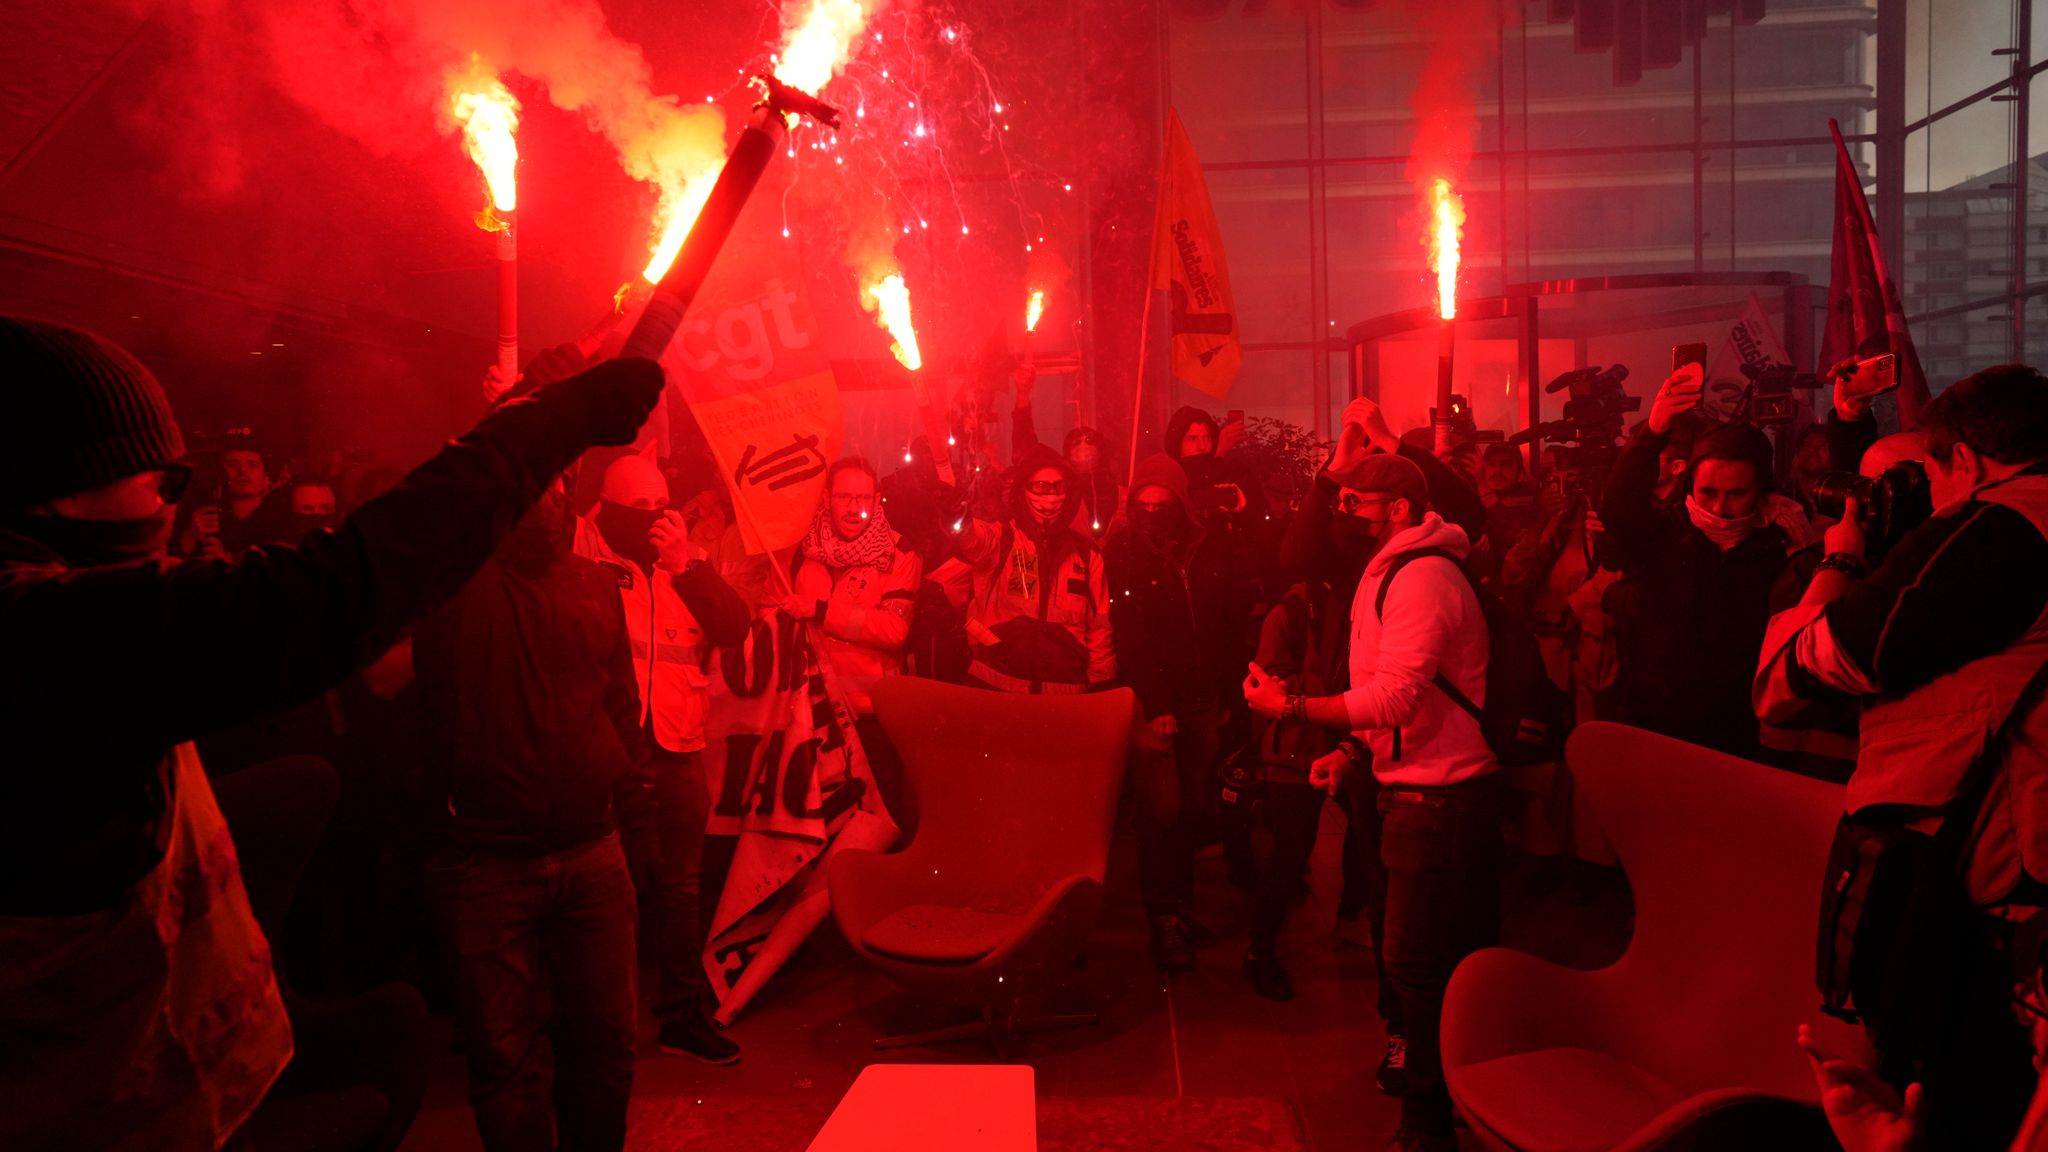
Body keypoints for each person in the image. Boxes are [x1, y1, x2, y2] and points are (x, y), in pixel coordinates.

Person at [0, 315, 661, 1151]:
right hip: (85, 1115)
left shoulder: (60, 600)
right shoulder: (32, 632)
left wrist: (540, 397)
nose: (177, 505)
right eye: (160, 481)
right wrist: (553, 423)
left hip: (168, 1091)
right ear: (57, 487)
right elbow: (334, 590)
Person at [1757, 364, 2048, 1149]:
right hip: (2017, 888)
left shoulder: (2002, 526)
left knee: (1951, 1105)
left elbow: (1784, 682)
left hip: (1992, 911)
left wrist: (1844, 561)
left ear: (1971, 464)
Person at [1243, 443, 1502, 1152]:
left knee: (1419, 964)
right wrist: (1350, 752)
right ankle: (1448, 1100)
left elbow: (1393, 697)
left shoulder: (1420, 576)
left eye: (1352, 502)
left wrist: (1291, 709)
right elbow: (1406, 699)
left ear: (1394, 509)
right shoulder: (1391, 569)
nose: (1340, 513)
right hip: (1415, 787)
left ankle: (1428, 1123)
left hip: (1439, 797)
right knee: (1429, 959)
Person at [414, 470, 647, 1152]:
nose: (545, 498)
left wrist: (621, 800)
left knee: (606, 1048)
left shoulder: (596, 583)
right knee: (505, 1064)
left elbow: (621, 711)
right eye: (528, 482)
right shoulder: (457, 585)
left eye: (556, 483)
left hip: (593, 850)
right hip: (487, 861)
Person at [573, 454, 750, 1064]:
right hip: (602, 750)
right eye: (637, 509)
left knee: (678, 889)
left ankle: (679, 1015)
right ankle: (596, 1026)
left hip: (675, 746)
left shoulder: (685, 564)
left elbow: (734, 625)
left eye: (659, 507)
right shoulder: (582, 557)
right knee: (599, 889)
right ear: (605, 508)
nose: (652, 519)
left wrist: (685, 565)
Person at [1597, 364, 1811, 758]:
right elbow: (1619, 507)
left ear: (1760, 492)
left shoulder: (1779, 546)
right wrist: (1653, 432)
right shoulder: (1665, 534)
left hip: (1741, 735)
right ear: (1690, 485)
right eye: (1707, 491)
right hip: (1658, 729)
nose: (1719, 508)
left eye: (1736, 494)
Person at [1107, 453, 1258, 971]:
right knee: (1162, 813)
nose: (1152, 513)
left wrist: (1224, 692)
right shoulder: (1124, 551)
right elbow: (1131, 634)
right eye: (1142, 505)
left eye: (1162, 504)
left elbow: (1225, 620)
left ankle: (1180, 907)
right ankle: (1163, 917)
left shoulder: (1206, 545)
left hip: (1204, 701)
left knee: (1193, 812)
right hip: (1157, 706)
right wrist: (1158, 703)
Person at [788, 457, 923, 837]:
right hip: (813, 719)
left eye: (863, 497)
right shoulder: (802, 548)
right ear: (827, 499)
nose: (853, 508)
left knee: (880, 828)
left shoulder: (899, 554)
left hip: (870, 720)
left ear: (877, 499)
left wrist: (821, 611)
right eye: (844, 496)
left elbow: (895, 630)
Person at [956, 446, 1115, 695]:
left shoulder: (1087, 555)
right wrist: (956, 515)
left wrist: (1101, 684)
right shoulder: (1003, 540)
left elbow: (1100, 627)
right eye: (1040, 486)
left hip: (1063, 696)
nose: (1050, 497)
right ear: (1023, 490)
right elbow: (970, 539)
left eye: (1058, 487)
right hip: (996, 689)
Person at [178, 435, 292, 558]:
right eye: (233, 464)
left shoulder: (281, 521)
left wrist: (227, 560)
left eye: (252, 465)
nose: (243, 470)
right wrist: (189, 538)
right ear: (220, 473)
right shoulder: (206, 517)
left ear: (266, 476)